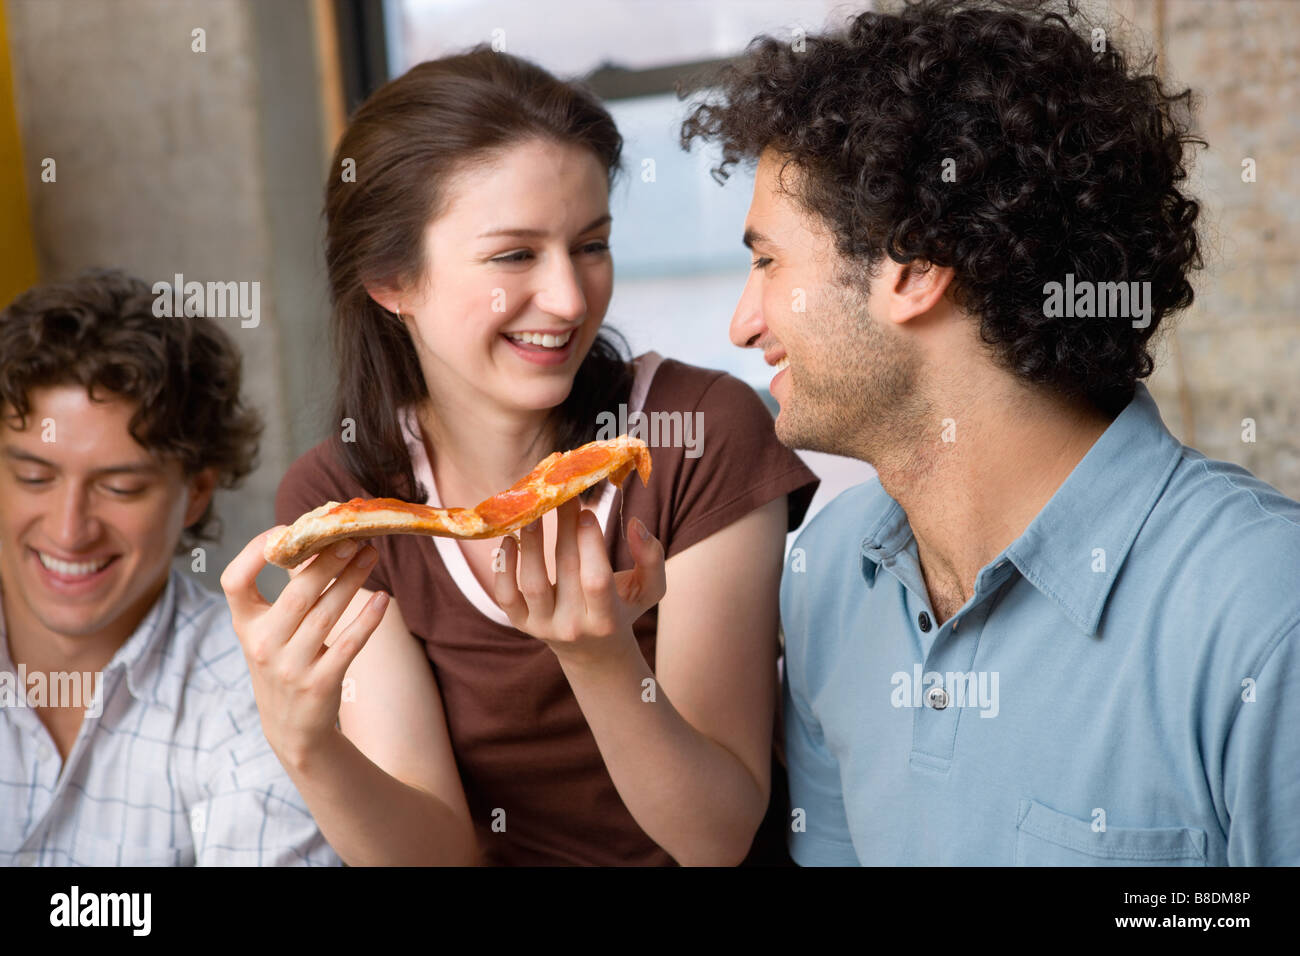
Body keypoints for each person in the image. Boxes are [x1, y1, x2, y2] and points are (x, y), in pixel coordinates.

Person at [681, 0, 1300, 865]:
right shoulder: (826, 576)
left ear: (916, 266)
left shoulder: (1266, 611)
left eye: (769, 261)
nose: (744, 324)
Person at [219, 48, 819, 866]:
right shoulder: (340, 494)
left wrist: (600, 659)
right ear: (390, 278)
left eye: (591, 245)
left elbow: (716, 836)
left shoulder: (699, 429)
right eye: (514, 257)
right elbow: (439, 857)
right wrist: (308, 747)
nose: (571, 300)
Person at [0, 269, 340, 865]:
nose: (68, 530)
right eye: (34, 477)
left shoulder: (254, 692)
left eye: (122, 487)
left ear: (198, 491)